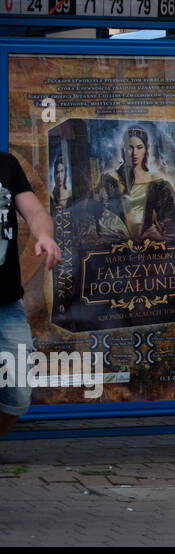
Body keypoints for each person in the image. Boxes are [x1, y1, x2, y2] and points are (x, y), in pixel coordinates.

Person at [0, 151, 64, 439]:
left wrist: (45, 236)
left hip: (6, 304)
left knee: (18, 395)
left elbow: (36, 212)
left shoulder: (6, 164)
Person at [96, 125, 175, 244]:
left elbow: (173, 212)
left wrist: (158, 230)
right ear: (123, 149)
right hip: (117, 246)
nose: (134, 153)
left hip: (149, 244)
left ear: (145, 149)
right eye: (130, 148)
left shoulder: (156, 181)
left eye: (139, 147)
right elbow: (99, 212)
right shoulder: (110, 179)